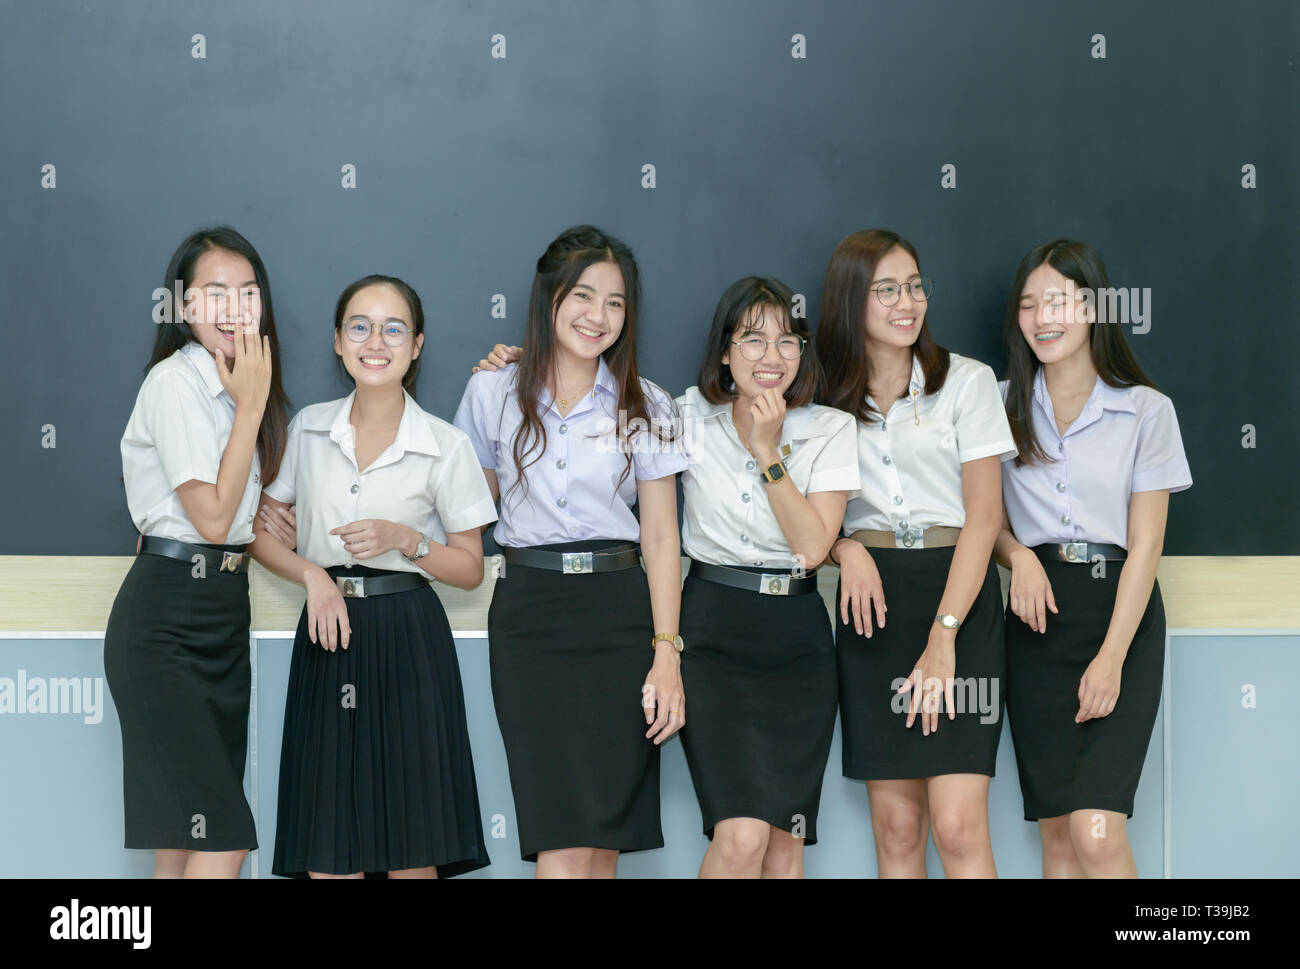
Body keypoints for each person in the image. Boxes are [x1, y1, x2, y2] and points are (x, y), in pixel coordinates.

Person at [454, 225, 687, 878]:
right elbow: (467, 509)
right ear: (550, 296)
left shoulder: (651, 403)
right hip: (529, 614)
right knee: (559, 834)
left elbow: (662, 537)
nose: (599, 316)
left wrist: (666, 652)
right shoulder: (491, 392)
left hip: (619, 614)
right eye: (583, 295)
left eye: (616, 302)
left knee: (601, 839)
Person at [251, 275, 496, 879]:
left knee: (414, 844)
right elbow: (258, 529)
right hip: (328, 635)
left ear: (416, 345)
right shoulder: (308, 429)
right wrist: (313, 574)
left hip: (410, 637)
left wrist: (405, 540)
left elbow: (468, 568)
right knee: (331, 848)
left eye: (394, 328)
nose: (375, 341)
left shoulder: (446, 443)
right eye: (359, 326)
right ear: (338, 342)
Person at [818, 229, 1014, 877]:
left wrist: (945, 634)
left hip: (959, 591)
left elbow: (984, 517)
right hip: (872, 606)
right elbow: (788, 512)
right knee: (899, 830)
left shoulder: (968, 382)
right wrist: (843, 546)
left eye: (915, 285)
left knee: (957, 828)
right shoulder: (820, 394)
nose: (908, 302)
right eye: (887, 290)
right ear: (852, 301)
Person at [993, 239, 1191, 877]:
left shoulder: (1146, 411)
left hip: (1120, 617)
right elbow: (980, 522)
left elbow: (1147, 547)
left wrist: (1110, 659)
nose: (1043, 317)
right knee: (1057, 835)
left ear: (1096, 307)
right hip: (1035, 619)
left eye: (1060, 301)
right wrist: (1018, 556)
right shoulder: (999, 406)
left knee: (1097, 832)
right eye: (1029, 304)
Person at [104, 225, 289, 878]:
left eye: (248, 292)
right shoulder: (175, 383)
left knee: (182, 838)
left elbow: (235, 514)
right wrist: (251, 408)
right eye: (216, 292)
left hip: (221, 611)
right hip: (165, 617)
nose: (235, 307)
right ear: (183, 306)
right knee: (223, 836)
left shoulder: (243, 389)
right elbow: (210, 518)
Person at [675, 276, 858, 877]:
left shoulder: (830, 428)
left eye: (787, 341)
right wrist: (518, 365)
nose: (771, 357)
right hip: (712, 632)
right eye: (752, 340)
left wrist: (767, 450)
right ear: (724, 351)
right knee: (742, 834)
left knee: (785, 842)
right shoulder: (682, 417)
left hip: (798, 640)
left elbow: (811, 546)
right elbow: (596, 418)